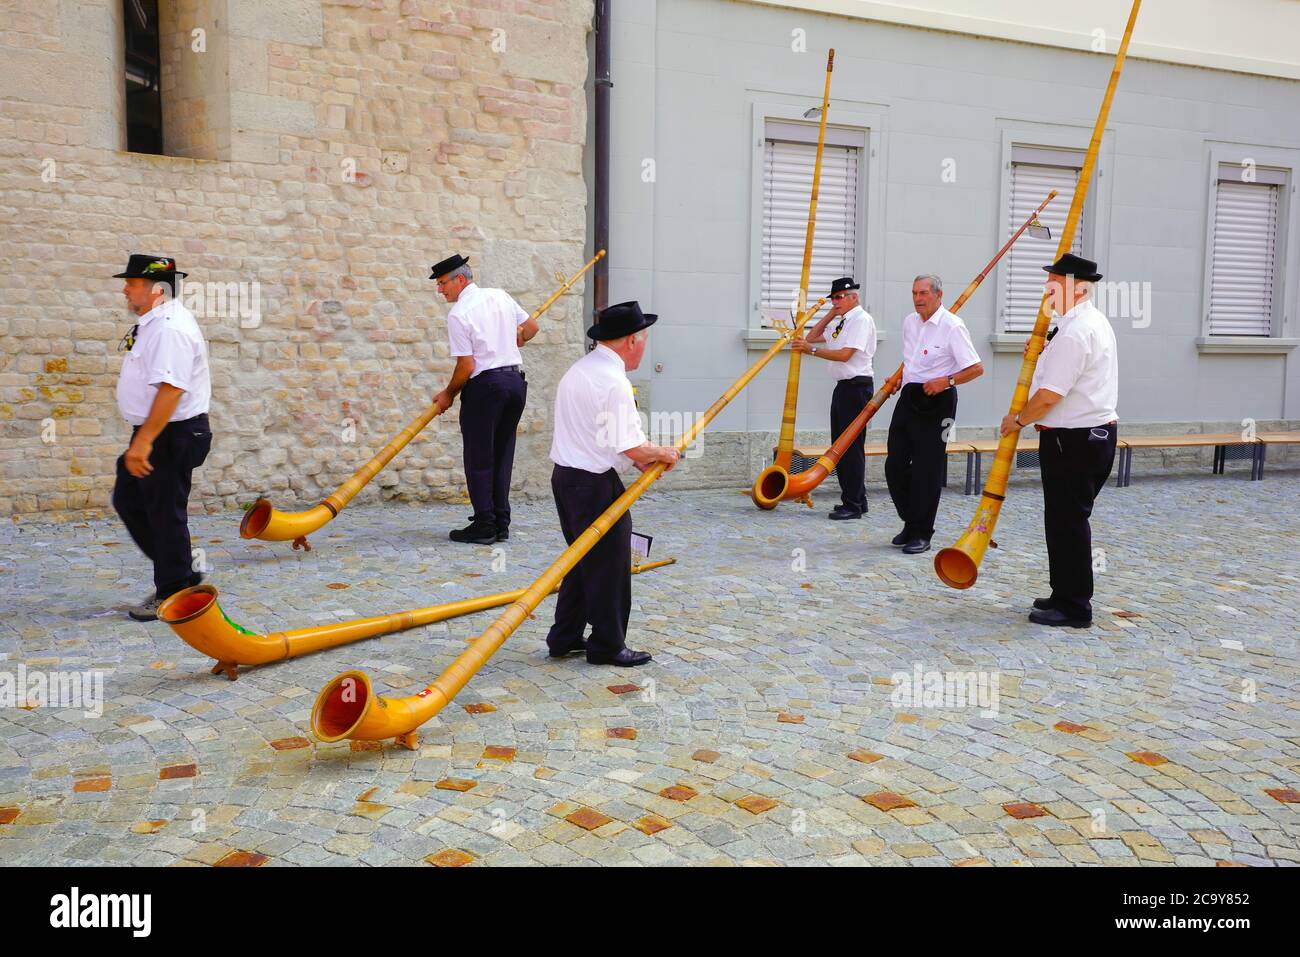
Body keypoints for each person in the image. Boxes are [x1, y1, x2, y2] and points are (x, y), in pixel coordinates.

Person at [547, 301, 679, 666]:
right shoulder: (613, 382)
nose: (645, 346)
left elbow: (603, 433)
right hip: (592, 484)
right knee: (610, 564)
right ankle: (607, 644)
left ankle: (564, 636)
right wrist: (661, 453)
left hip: (566, 478)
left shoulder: (580, 369)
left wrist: (640, 458)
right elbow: (630, 444)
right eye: (645, 339)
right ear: (631, 341)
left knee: (581, 558)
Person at [1000, 253, 1118, 628]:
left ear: (1074, 287)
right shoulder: (1077, 324)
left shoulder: (1076, 330)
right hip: (1082, 437)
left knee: (1068, 521)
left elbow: (1051, 395)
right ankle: (1063, 591)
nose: (1046, 288)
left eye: (1053, 282)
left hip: (1076, 440)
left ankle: (1075, 606)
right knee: (1063, 519)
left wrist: (1017, 420)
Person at [110, 255, 212, 621]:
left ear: (155, 289)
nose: (125, 288)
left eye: (132, 283)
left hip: (172, 432)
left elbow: (171, 389)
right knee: (129, 499)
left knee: (164, 512)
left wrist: (143, 442)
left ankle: (174, 591)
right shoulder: (153, 324)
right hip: (158, 431)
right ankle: (181, 574)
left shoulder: (170, 328)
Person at [430, 253, 539, 544]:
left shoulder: (458, 314)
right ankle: (501, 522)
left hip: (486, 387)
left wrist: (448, 394)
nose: (440, 290)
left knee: (479, 458)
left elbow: (466, 366)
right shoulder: (500, 296)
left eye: (443, 283)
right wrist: (519, 339)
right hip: (515, 383)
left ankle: (484, 524)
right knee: (503, 454)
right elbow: (531, 328)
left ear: (460, 279)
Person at [885, 274, 984, 554]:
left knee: (928, 468)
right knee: (895, 464)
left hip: (939, 400)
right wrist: (898, 380)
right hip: (910, 395)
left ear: (938, 296)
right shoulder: (909, 322)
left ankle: (922, 532)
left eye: (924, 293)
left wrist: (947, 381)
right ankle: (910, 519)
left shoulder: (953, 326)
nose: (918, 299)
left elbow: (976, 368)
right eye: (914, 293)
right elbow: (911, 361)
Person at [792, 277, 877, 520]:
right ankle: (857, 499)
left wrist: (813, 351)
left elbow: (845, 355)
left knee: (849, 447)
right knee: (840, 446)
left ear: (854, 297)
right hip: (844, 387)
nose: (837, 301)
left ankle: (853, 503)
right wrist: (831, 312)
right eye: (834, 297)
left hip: (857, 387)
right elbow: (812, 336)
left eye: (841, 297)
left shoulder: (860, 320)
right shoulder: (843, 321)